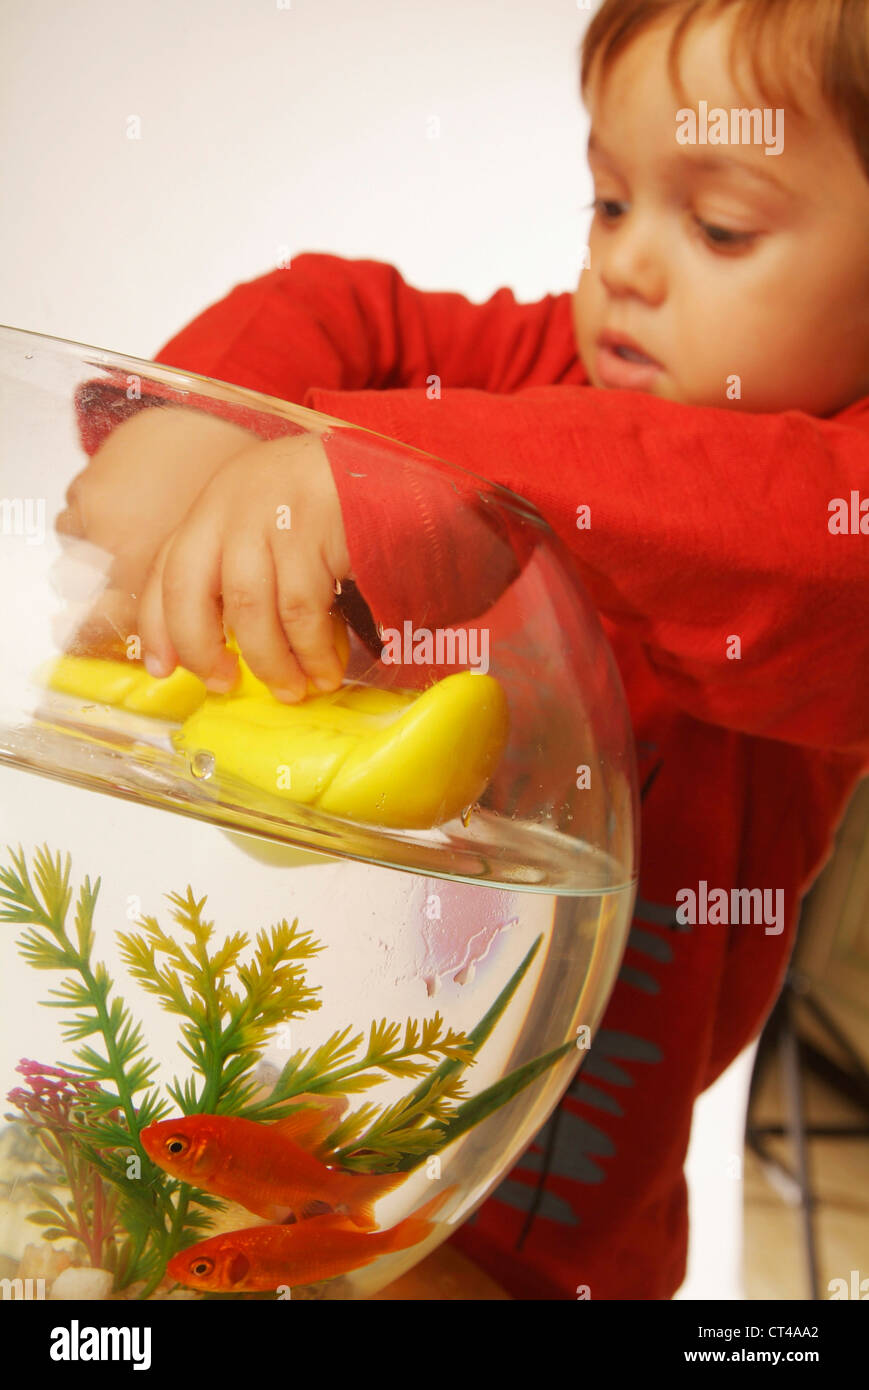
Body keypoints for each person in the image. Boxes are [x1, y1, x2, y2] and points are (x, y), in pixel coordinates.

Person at [59, 0, 869, 1298]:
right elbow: (339, 304)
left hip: (531, 1217)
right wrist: (197, 423)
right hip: (300, 1113)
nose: (629, 268)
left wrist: (367, 482)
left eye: (717, 224)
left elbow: (811, 554)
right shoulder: (545, 361)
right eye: (609, 204)